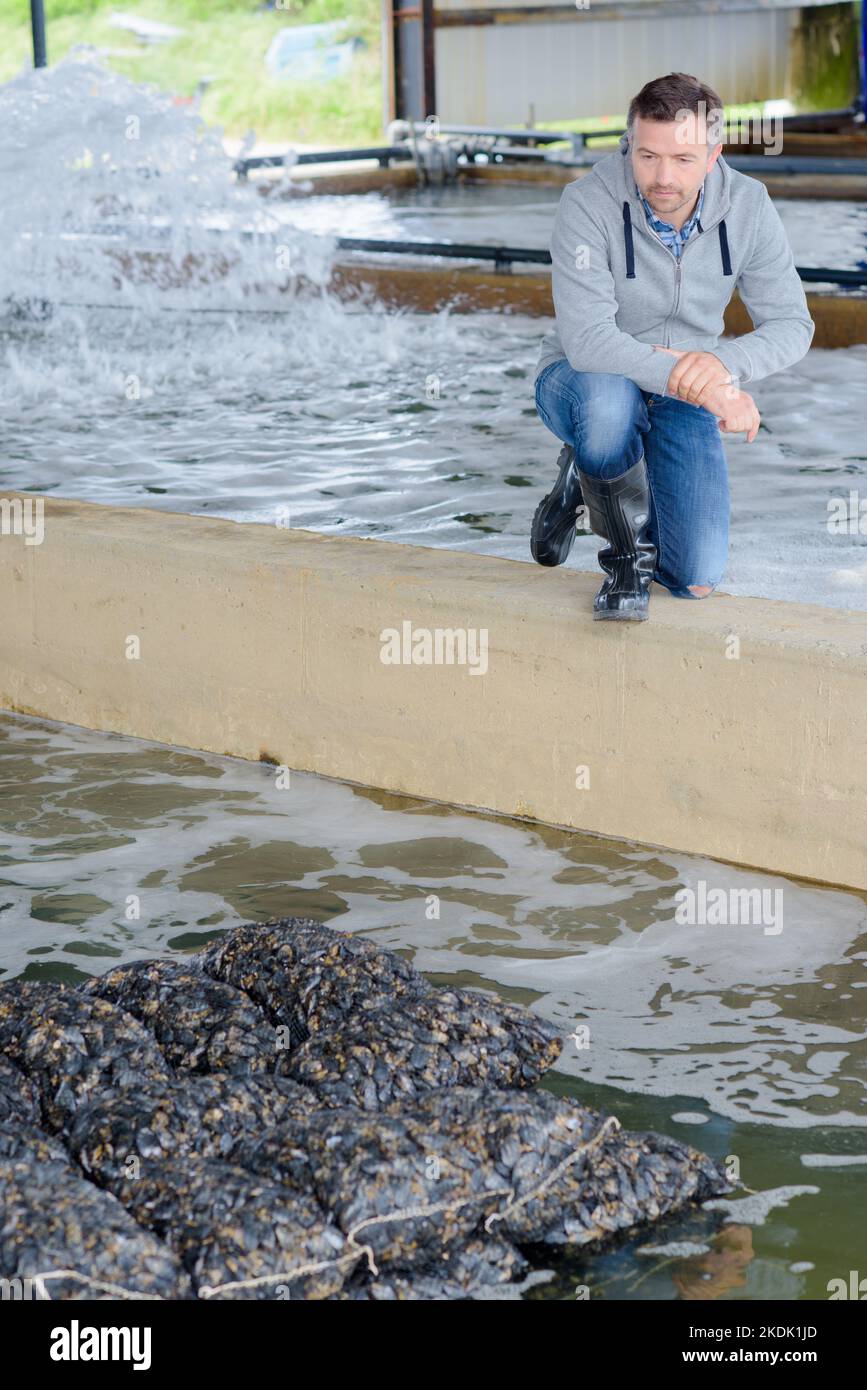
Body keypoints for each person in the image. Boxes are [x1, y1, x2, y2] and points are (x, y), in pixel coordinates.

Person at [531, 71, 815, 621]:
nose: (662, 177)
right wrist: (698, 380)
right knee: (609, 406)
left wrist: (718, 367)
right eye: (647, 156)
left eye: (683, 160)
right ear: (630, 143)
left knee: (694, 578)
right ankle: (624, 565)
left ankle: (581, 479)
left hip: (683, 388)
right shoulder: (587, 202)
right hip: (581, 378)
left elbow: (791, 325)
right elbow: (589, 343)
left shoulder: (749, 207)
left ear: (713, 154)